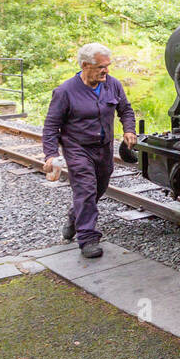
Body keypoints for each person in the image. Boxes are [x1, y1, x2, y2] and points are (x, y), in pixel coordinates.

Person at [42, 43, 137, 259]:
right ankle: (88, 239)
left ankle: (75, 217)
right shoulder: (65, 91)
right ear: (85, 65)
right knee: (86, 189)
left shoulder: (112, 85)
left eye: (108, 66)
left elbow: (125, 110)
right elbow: (51, 126)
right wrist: (50, 154)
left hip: (104, 148)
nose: (106, 71)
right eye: (101, 67)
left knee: (98, 188)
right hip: (77, 149)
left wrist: (129, 130)